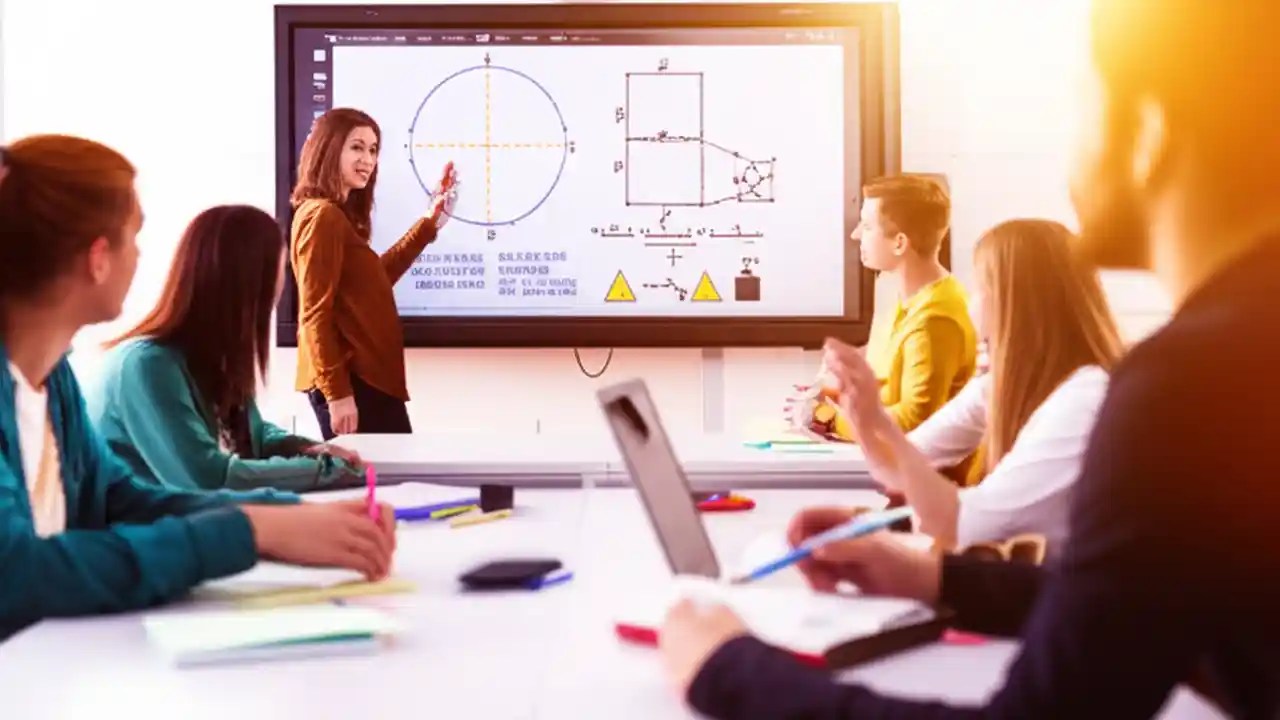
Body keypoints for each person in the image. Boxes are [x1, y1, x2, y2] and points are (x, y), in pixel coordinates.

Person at [659, 1, 1280, 717]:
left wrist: (726, 670)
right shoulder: (1236, 358)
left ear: (1146, 135)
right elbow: (1130, 610)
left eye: (1079, 107)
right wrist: (938, 581)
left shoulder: (1185, 389)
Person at [0, 134, 396, 640]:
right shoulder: (138, 366)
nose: (141, 256)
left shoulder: (52, 380)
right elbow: (15, 574)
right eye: (134, 235)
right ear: (98, 258)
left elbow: (120, 500)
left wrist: (289, 519)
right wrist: (249, 531)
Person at [852, 219, 1122, 556]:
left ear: (1016, 302)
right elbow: (897, 465)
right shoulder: (998, 386)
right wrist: (862, 417)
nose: (970, 303)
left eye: (979, 289)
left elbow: (964, 523)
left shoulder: (1086, 398)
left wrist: (872, 419)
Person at [85, 205, 365, 494]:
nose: (284, 286)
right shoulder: (146, 366)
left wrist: (309, 449)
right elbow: (209, 478)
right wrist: (328, 471)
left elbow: (253, 437)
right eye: (282, 270)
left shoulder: (209, 357)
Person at [291, 107, 457, 439]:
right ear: (328, 147)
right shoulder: (322, 217)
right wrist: (338, 394)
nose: (367, 159)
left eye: (373, 149)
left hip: (366, 382)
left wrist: (429, 225)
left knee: (391, 487)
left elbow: (372, 283)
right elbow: (315, 313)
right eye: (356, 147)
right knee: (384, 487)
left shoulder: (335, 217)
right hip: (354, 383)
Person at [793, 175, 977, 444]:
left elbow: (914, 423)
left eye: (867, 226)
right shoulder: (905, 299)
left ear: (899, 243)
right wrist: (833, 390)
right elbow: (886, 385)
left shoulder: (935, 320)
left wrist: (828, 419)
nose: (856, 235)